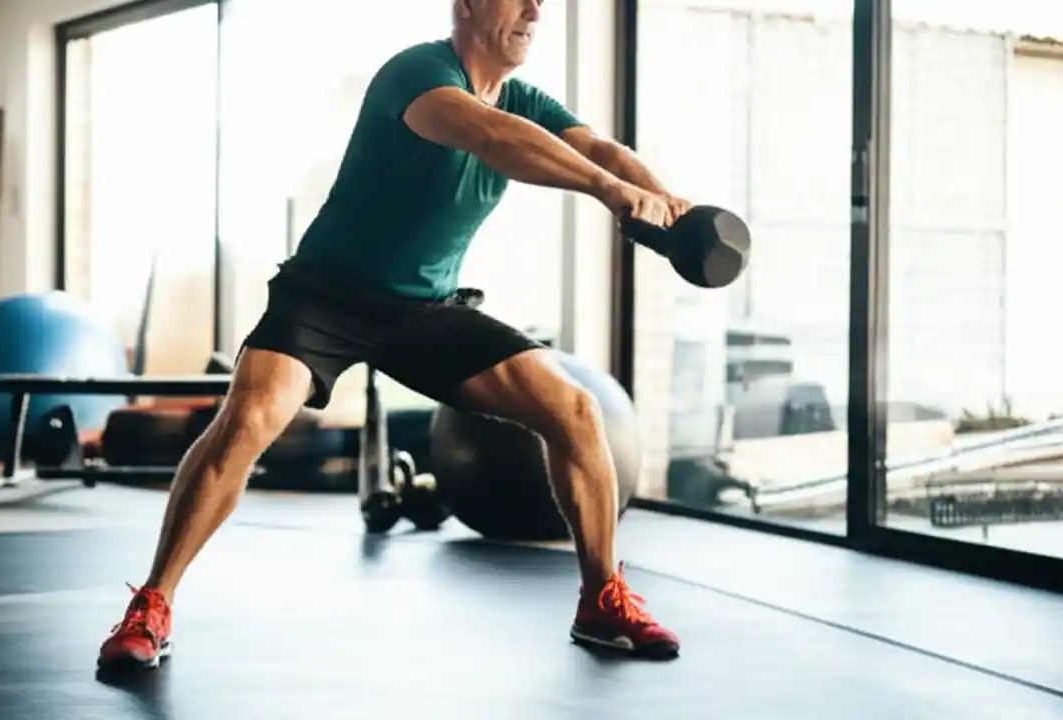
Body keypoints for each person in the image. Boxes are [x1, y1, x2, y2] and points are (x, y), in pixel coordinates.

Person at [98, 0, 691, 670]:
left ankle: (600, 600)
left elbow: (601, 149)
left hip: (426, 311)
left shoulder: (526, 99)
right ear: (467, 3)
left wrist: (675, 208)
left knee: (575, 411)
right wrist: (611, 192)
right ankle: (152, 604)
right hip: (326, 296)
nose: (534, 10)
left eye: (542, 0)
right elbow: (494, 139)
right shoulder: (418, 73)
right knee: (248, 421)